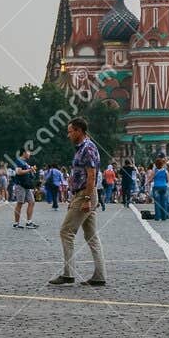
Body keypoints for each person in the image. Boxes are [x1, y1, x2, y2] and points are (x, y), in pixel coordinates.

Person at [50, 117, 107, 287]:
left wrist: (86, 199)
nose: (68, 135)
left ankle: (68, 274)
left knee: (66, 232)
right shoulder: (83, 148)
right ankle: (99, 276)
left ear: (79, 131)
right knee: (91, 236)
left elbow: (91, 175)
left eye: (70, 131)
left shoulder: (87, 148)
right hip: (82, 194)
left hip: (85, 194)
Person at [11, 158, 39, 229]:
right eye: (28, 152)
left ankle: (29, 222)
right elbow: (18, 172)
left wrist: (32, 170)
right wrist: (30, 169)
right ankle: (16, 223)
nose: (29, 154)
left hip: (27, 185)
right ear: (24, 153)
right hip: (20, 185)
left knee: (32, 202)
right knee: (20, 203)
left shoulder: (25, 163)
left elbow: (31, 174)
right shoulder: (18, 161)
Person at [150, 156, 169, 221]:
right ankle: (164, 217)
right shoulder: (165, 171)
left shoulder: (155, 171)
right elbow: (168, 179)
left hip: (156, 187)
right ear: (162, 164)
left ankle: (157, 217)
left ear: (156, 164)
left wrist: (146, 183)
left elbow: (151, 179)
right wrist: (167, 186)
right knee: (164, 202)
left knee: (157, 203)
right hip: (164, 187)